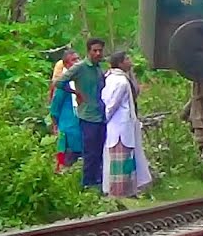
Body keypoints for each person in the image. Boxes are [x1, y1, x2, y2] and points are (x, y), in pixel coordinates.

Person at [101, 51, 153, 197]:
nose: (130, 61)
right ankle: (120, 191)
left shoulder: (112, 78)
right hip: (120, 125)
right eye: (127, 59)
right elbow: (113, 104)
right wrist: (105, 119)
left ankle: (127, 190)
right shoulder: (121, 82)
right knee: (121, 159)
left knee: (125, 157)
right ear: (120, 63)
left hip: (120, 125)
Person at [59, 37, 108, 190]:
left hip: (101, 115)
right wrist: (75, 92)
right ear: (88, 51)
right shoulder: (80, 67)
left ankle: (98, 182)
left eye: (100, 50)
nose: (98, 53)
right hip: (87, 116)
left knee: (99, 151)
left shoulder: (99, 68)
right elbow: (59, 82)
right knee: (90, 152)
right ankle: (87, 184)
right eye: (95, 50)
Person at [48, 50, 83, 174]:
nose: (77, 62)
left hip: (82, 129)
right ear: (66, 65)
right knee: (65, 164)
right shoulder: (64, 84)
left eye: (78, 59)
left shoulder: (83, 80)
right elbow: (55, 107)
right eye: (73, 60)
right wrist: (55, 124)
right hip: (68, 130)